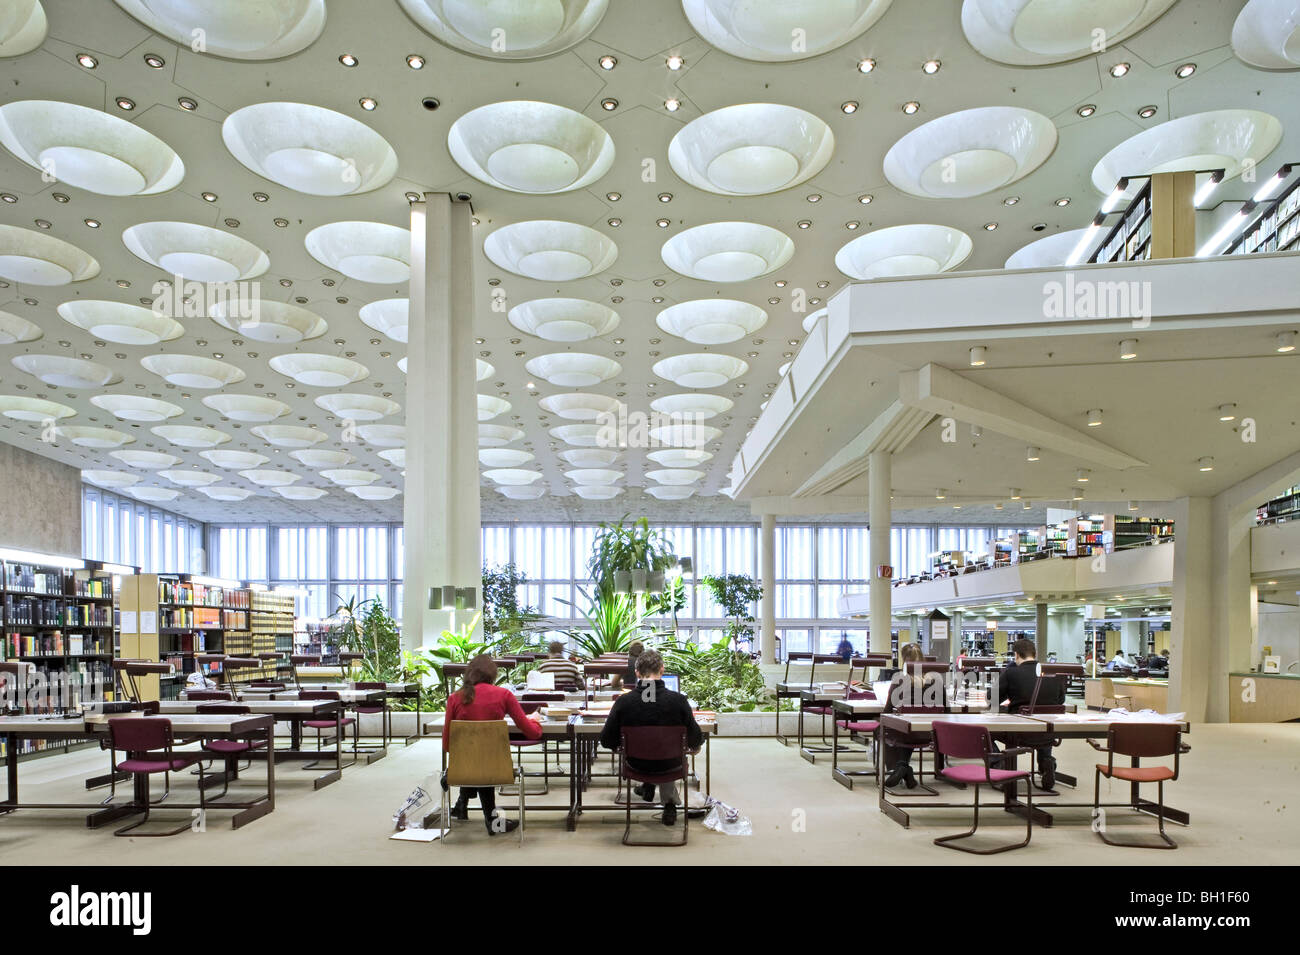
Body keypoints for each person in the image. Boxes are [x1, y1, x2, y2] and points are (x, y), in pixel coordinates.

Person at [600, 649, 703, 827]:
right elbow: (695, 739)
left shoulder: (623, 702)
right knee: (668, 751)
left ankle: (648, 785)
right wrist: (695, 745)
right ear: (662, 670)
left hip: (635, 765)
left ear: (637, 673)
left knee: (653, 748)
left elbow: (606, 740)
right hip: (671, 766)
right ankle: (669, 803)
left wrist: (620, 745)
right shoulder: (678, 701)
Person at [442, 654, 541, 835]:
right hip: (496, 768)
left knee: (475, 757)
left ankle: (462, 805)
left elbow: (447, 745)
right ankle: (491, 819)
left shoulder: (455, 698)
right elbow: (532, 732)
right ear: (493, 675)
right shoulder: (503, 695)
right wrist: (534, 720)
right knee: (484, 759)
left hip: (462, 769)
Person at [997, 638, 1064, 789]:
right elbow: (1060, 700)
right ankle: (1046, 761)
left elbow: (992, 697)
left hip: (1018, 732)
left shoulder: (1011, 672)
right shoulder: (1052, 673)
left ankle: (999, 765)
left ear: (1016, 655)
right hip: (1049, 732)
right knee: (1042, 722)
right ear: (1035, 653)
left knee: (986, 732)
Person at [881, 643, 945, 790]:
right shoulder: (936, 681)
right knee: (909, 730)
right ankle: (904, 768)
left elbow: (887, 711)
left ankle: (898, 768)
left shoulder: (899, 681)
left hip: (904, 734)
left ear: (904, 661)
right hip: (930, 734)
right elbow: (946, 710)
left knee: (883, 729)